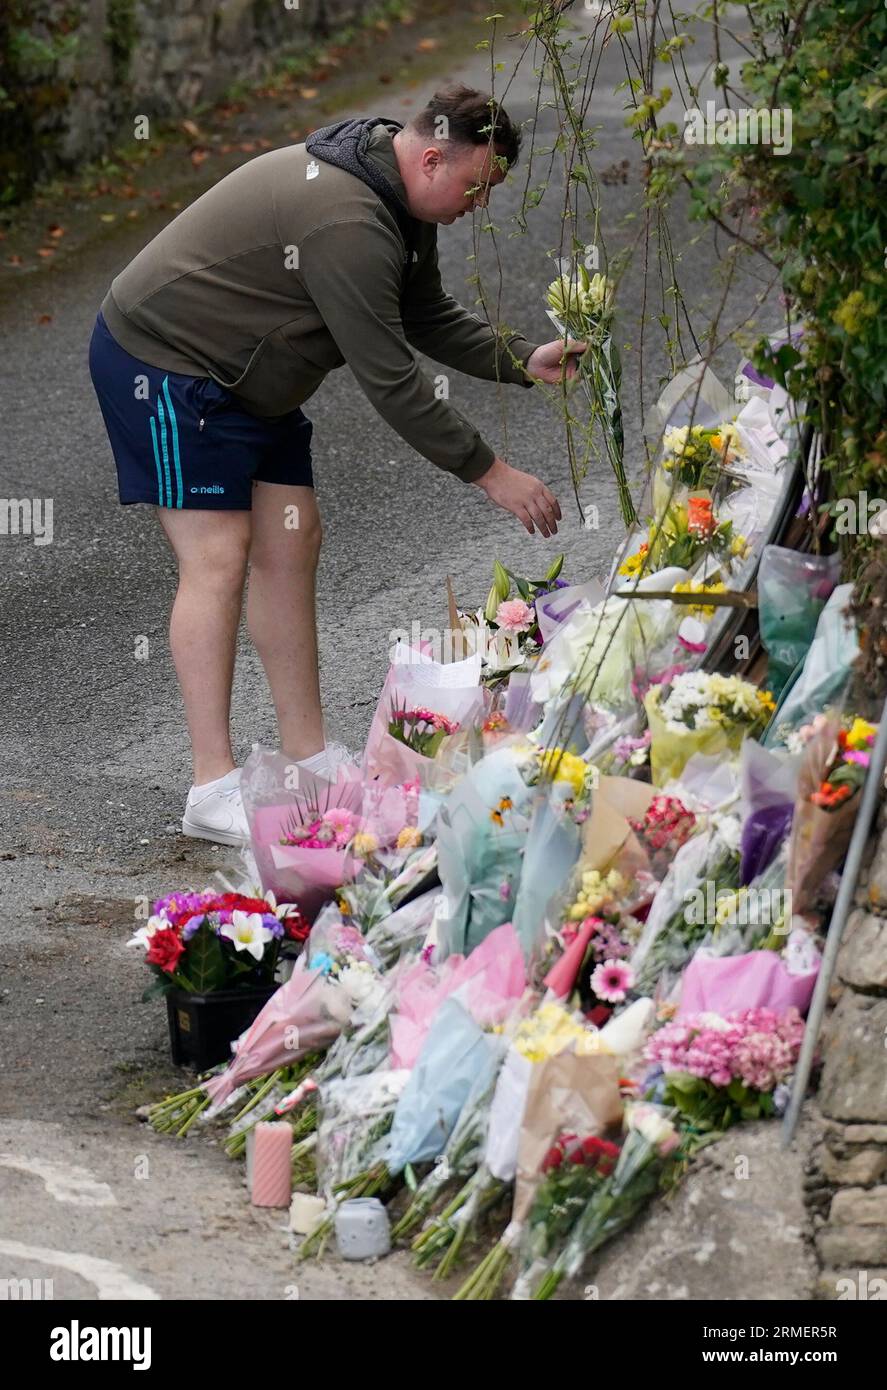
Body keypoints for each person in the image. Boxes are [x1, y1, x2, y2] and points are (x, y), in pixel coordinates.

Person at [88, 84, 585, 847]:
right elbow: (390, 379)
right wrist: (492, 473)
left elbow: (421, 315)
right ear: (428, 157)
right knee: (218, 555)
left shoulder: (397, 201)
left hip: (253, 370)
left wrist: (522, 358)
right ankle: (211, 785)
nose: (478, 204)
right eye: (475, 186)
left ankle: (307, 756)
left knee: (292, 541)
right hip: (167, 362)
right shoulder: (347, 219)